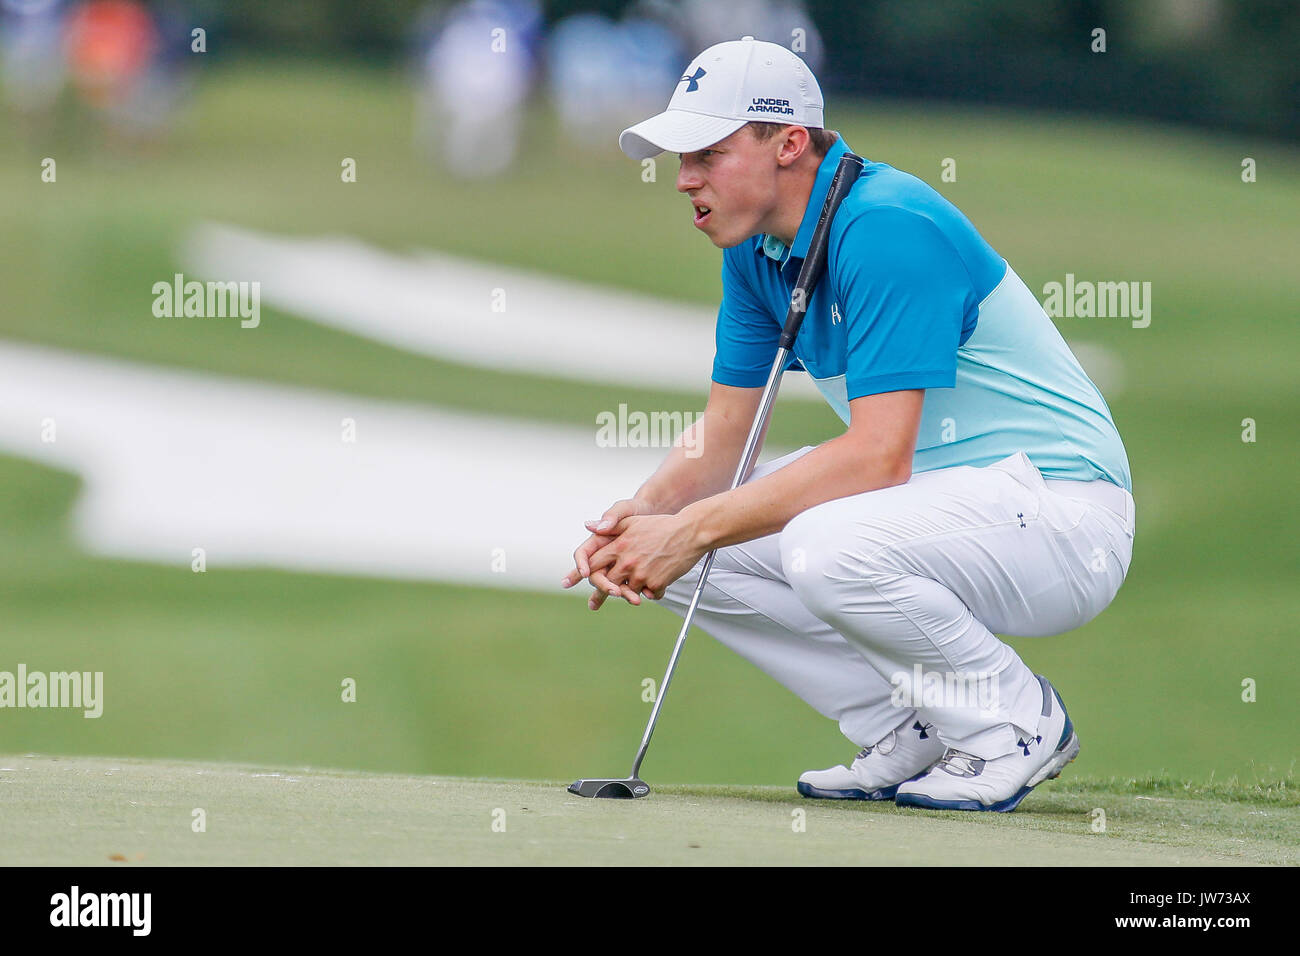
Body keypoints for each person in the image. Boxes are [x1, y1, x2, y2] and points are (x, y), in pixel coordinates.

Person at [560, 36, 1135, 812]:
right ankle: (911, 721)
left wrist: (690, 526)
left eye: (708, 154)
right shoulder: (757, 247)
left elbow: (876, 458)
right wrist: (643, 517)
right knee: (690, 548)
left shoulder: (889, 227)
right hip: (949, 509)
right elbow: (725, 440)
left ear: (789, 143)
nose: (684, 180)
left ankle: (1014, 723)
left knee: (817, 543)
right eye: (679, 158)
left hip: (1066, 520)